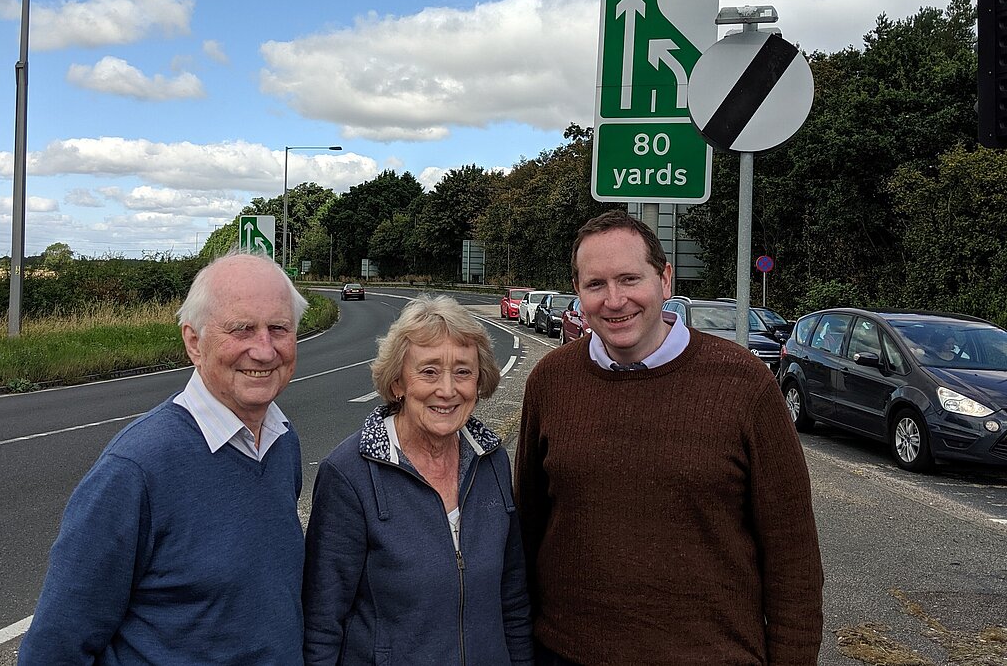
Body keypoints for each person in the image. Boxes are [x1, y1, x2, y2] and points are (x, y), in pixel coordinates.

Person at [515, 211, 823, 665]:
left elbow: (792, 555)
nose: (614, 300)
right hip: (567, 652)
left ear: (665, 280)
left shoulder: (745, 384)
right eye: (595, 284)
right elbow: (528, 527)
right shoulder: (551, 380)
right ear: (578, 294)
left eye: (629, 279)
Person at [19, 251, 309, 665]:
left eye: (278, 328)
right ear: (194, 341)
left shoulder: (281, 441)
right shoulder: (135, 469)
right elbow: (55, 646)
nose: (264, 350)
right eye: (242, 329)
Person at [303, 295, 532, 665]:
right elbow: (322, 623)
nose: (447, 389)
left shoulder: (492, 462)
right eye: (428, 371)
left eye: (463, 371)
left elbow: (513, 599)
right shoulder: (349, 474)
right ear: (398, 383)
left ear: (480, 381)